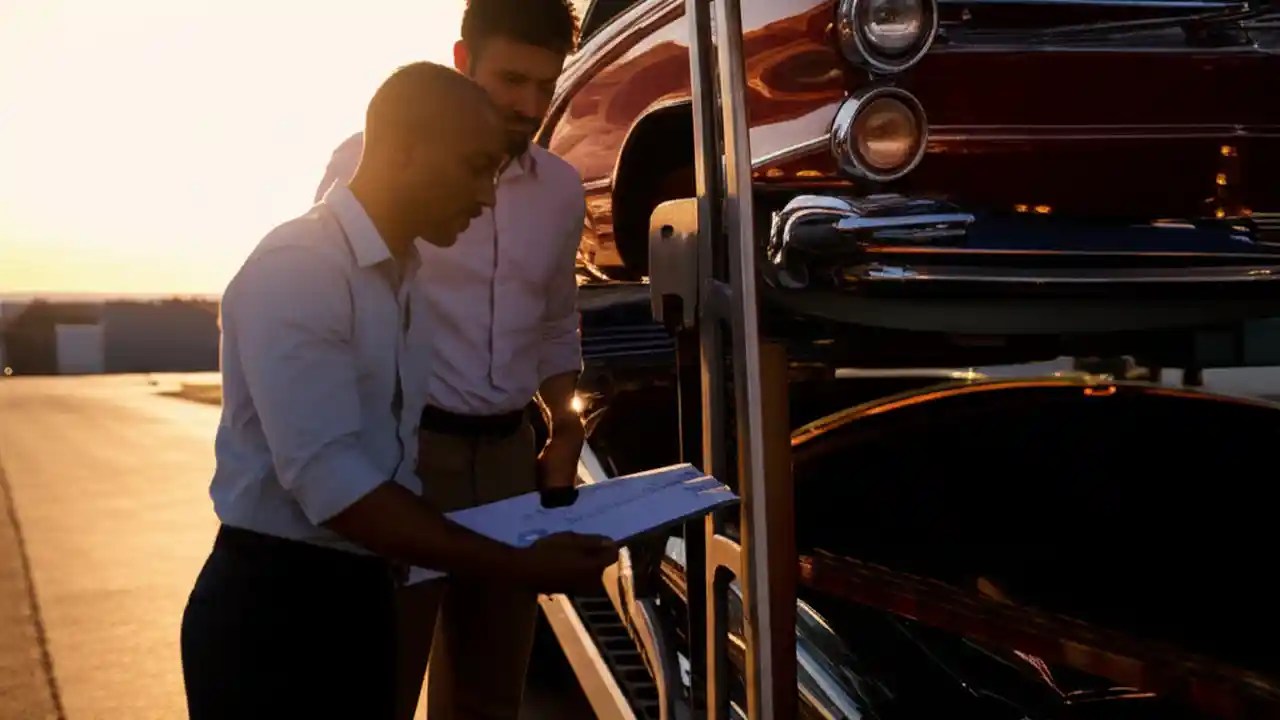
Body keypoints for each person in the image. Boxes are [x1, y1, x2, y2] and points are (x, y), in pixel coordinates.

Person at [180, 61, 617, 720]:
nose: (488, 197)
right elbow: (333, 485)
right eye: (476, 168)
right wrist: (522, 565)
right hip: (277, 615)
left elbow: (391, 464)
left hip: (358, 596)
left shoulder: (400, 275)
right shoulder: (300, 268)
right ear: (405, 151)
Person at [314, 2, 590, 718]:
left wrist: (565, 429)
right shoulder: (369, 160)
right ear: (462, 62)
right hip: (406, 458)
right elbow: (332, 302)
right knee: (378, 689)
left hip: (510, 462)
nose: (529, 104)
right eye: (511, 80)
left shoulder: (562, 191)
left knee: (490, 698)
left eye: (545, 85)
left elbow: (556, 321)